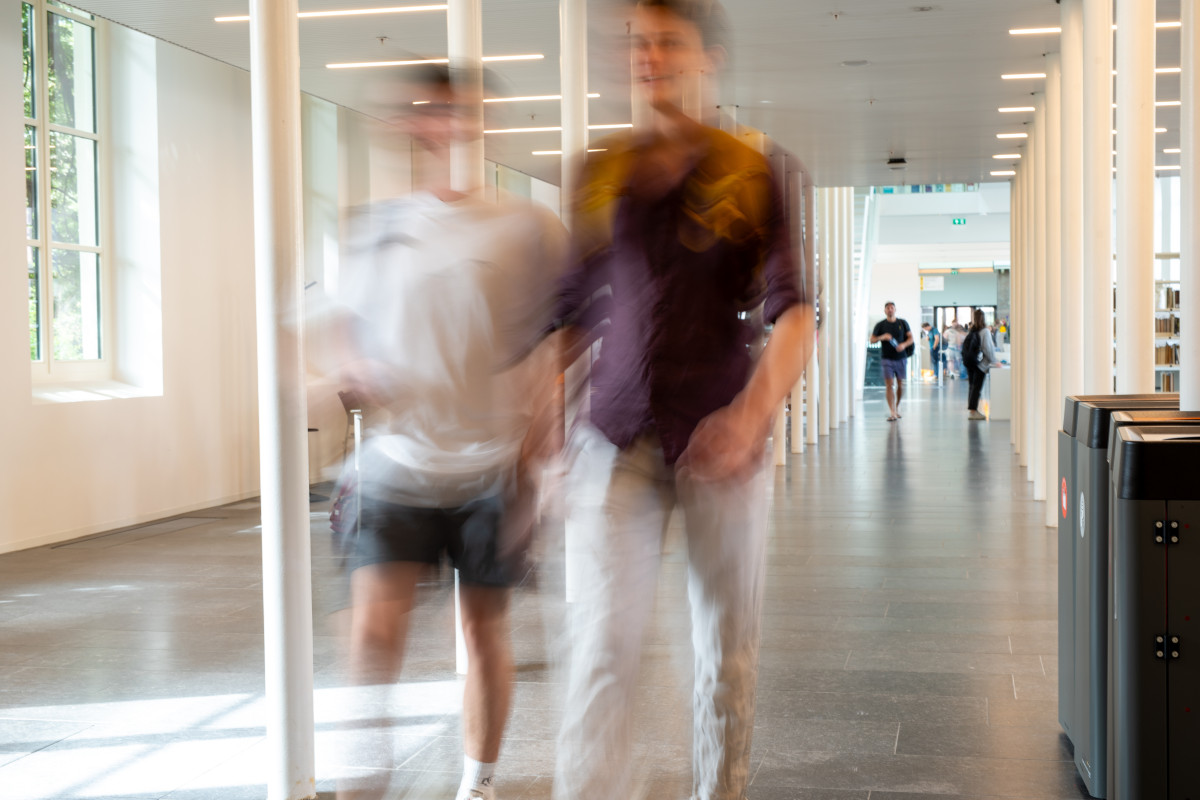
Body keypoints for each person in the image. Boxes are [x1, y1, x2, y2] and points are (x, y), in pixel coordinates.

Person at [550, 2, 815, 799]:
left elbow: (794, 309)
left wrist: (752, 415)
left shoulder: (753, 169)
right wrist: (538, 421)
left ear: (708, 59)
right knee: (601, 646)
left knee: (725, 654)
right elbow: (571, 310)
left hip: (719, 443)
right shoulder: (601, 170)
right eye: (638, 41)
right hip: (614, 434)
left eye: (668, 42)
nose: (649, 55)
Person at [327, 64, 567, 800]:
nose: (440, 125)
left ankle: (478, 782)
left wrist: (539, 449)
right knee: (372, 632)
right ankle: (364, 782)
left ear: (478, 123)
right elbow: (343, 331)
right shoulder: (370, 228)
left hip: (489, 468)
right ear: (406, 125)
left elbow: (554, 343)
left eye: (455, 112)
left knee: (481, 633)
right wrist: (356, 368)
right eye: (425, 113)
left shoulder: (525, 226)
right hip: (395, 466)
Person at [870, 302, 913, 421]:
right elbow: (872, 339)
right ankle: (892, 411)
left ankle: (897, 406)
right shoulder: (880, 325)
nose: (890, 310)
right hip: (886, 358)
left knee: (900, 385)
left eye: (892, 308)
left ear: (895, 310)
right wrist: (881, 337)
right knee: (889, 385)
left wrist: (903, 345)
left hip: (901, 358)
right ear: (884, 311)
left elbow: (910, 338)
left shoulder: (902, 323)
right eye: (887, 308)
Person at [963, 308, 999, 420]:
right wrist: (995, 361)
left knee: (972, 387)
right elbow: (988, 349)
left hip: (971, 362)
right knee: (976, 388)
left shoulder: (972, 330)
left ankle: (972, 411)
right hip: (980, 365)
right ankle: (973, 412)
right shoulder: (985, 331)